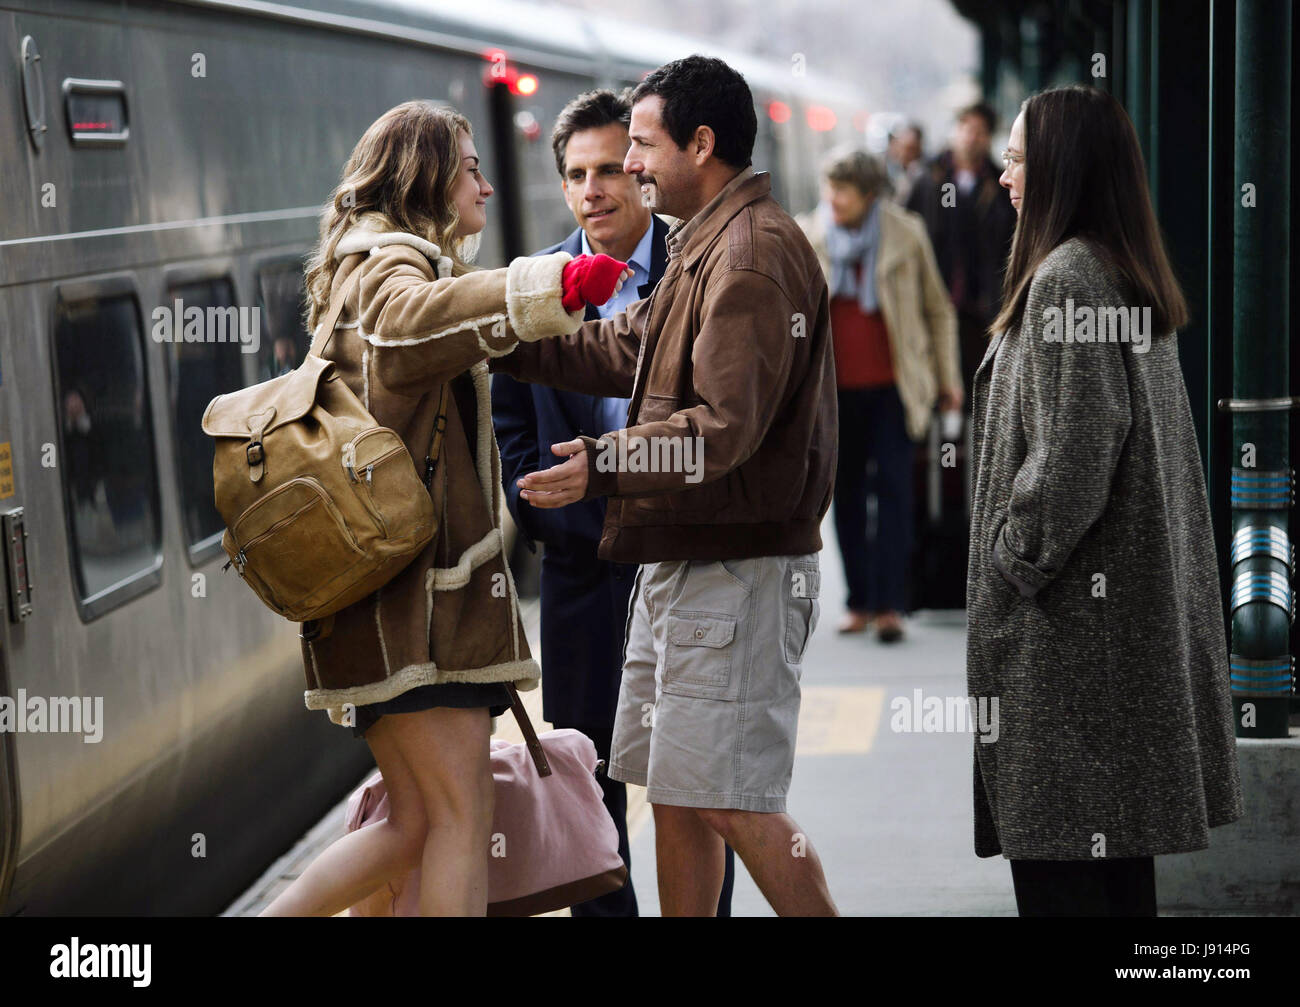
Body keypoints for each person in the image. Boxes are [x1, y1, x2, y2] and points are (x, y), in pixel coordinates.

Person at [259, 100, 628, 917]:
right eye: (470, 168)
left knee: (421, 817)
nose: (487, 186)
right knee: (461, 812)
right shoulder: (390, 269)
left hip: (399, 606)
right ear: (427, 175)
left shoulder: (378, 263)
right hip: (418, 613)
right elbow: (410, 327)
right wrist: (553, 282)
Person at [491, 55, 839, 916]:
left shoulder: (750, 258)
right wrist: (493, 337)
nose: (632, 167)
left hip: (738, 570)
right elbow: (622, 345)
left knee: (731, 798)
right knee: (682, 793)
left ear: (703, 143)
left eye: (641, 146)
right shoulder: (710, 243)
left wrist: (602, 466)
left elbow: (721, 429)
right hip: (696, 562)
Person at [967, 83, 1244, 916]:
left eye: (1017, 157)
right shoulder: (1113, 269)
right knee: (1116, 878)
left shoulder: (1066, 280)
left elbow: (1074, 455)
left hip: (1072, 657)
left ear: (1058, 166)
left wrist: (1010, 560)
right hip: (1109, 651)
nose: (1005, 175)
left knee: (1067, 878)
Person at [492, 87, 736, 916]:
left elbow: (721, 426)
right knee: (588, 788)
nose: (592, 188)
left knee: (696, 783)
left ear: (640, 173)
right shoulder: (534, 292)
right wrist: (560, 526)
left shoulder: (702, 267)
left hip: (683, 570)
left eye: (608, 169)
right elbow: (512, 429)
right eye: (574, 174)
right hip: (582, 576)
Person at [797, 149, 961, 642]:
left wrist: (948, 379)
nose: (833, 199)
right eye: (829, 188)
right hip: (833, 394)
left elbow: (938, 310)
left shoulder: (905, 232)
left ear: (869, 195)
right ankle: (859, 601)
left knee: (893, 493)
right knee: (843, 496)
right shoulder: (810, 235)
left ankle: (892, 603)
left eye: (843, 191)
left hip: (895, 389)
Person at [906, 102, 1016, 398]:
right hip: (933, 300)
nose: (972, 137)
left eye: (980, 131)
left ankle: (965, 442)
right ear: (955, 131)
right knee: (933, 388)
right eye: (966, 129)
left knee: (978, 388)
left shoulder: (1000, 184)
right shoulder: (927, 180)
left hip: (980, 307)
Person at [885, 121, 925, 206]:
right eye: (901, 146)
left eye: (910, 149)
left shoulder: (921, 178)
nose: (904, 153)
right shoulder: (891, 171)